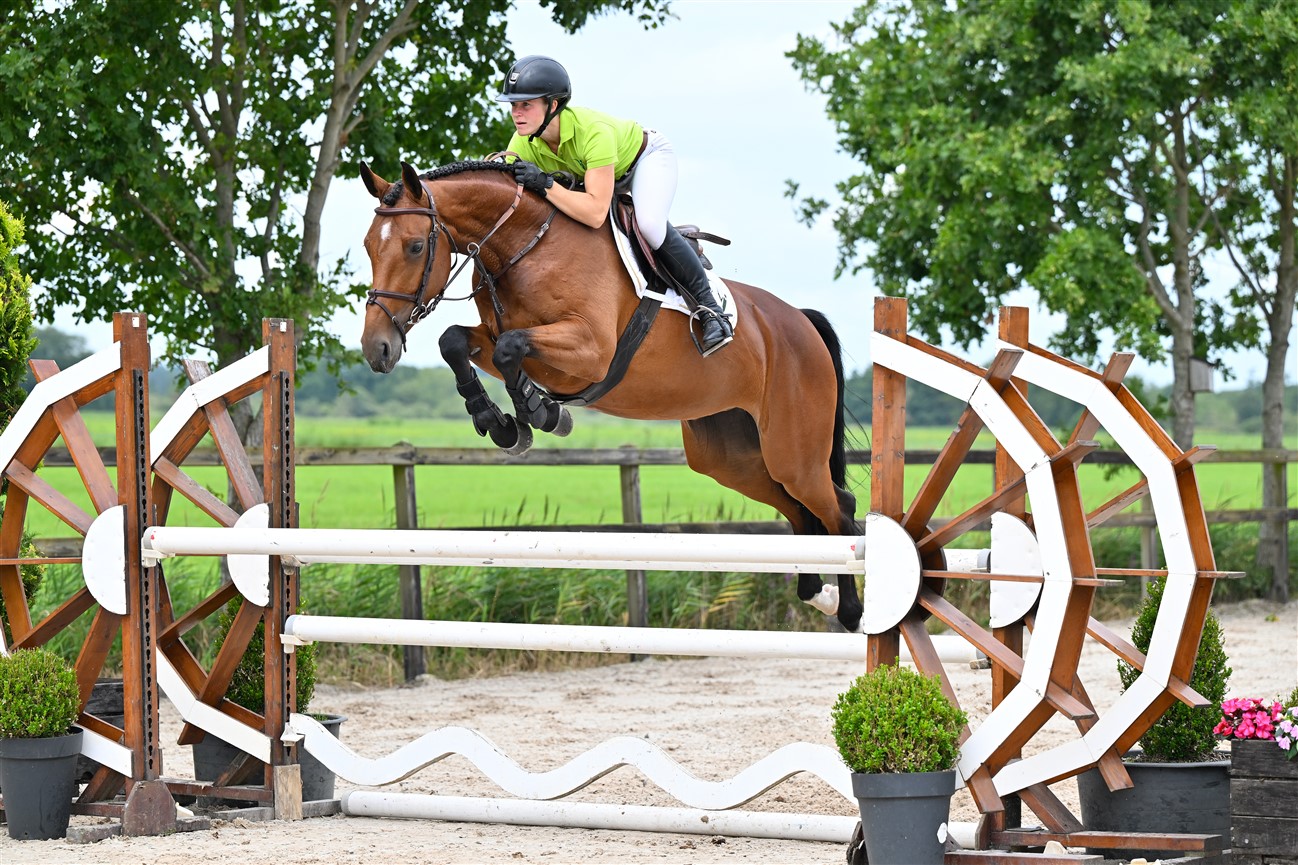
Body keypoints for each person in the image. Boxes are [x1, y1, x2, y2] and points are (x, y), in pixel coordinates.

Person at [496, 55, 734, 356]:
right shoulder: (522, 143)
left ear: (553, 105)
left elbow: (595, 213)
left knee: (649, 225)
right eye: (513, 105)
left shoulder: (593, 132)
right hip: (596, 177)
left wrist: (545, 184)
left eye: (525, 105)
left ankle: (711, 310)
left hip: (644, 160)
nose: (516, 113)